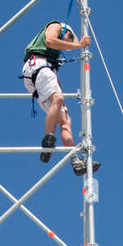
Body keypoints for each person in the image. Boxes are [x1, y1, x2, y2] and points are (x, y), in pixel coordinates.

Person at [21, 19, 100, 176]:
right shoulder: (56, 26)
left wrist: (62, 103)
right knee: (57, 99)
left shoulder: (53, 58)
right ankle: (48, 139)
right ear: (66, 31)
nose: (70, 42)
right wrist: (78, 45)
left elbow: (54, 79)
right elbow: (50, 41)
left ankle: (75, 161)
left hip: (41, 73)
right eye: (69, 38)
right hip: (37, 65)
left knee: (65, 121)